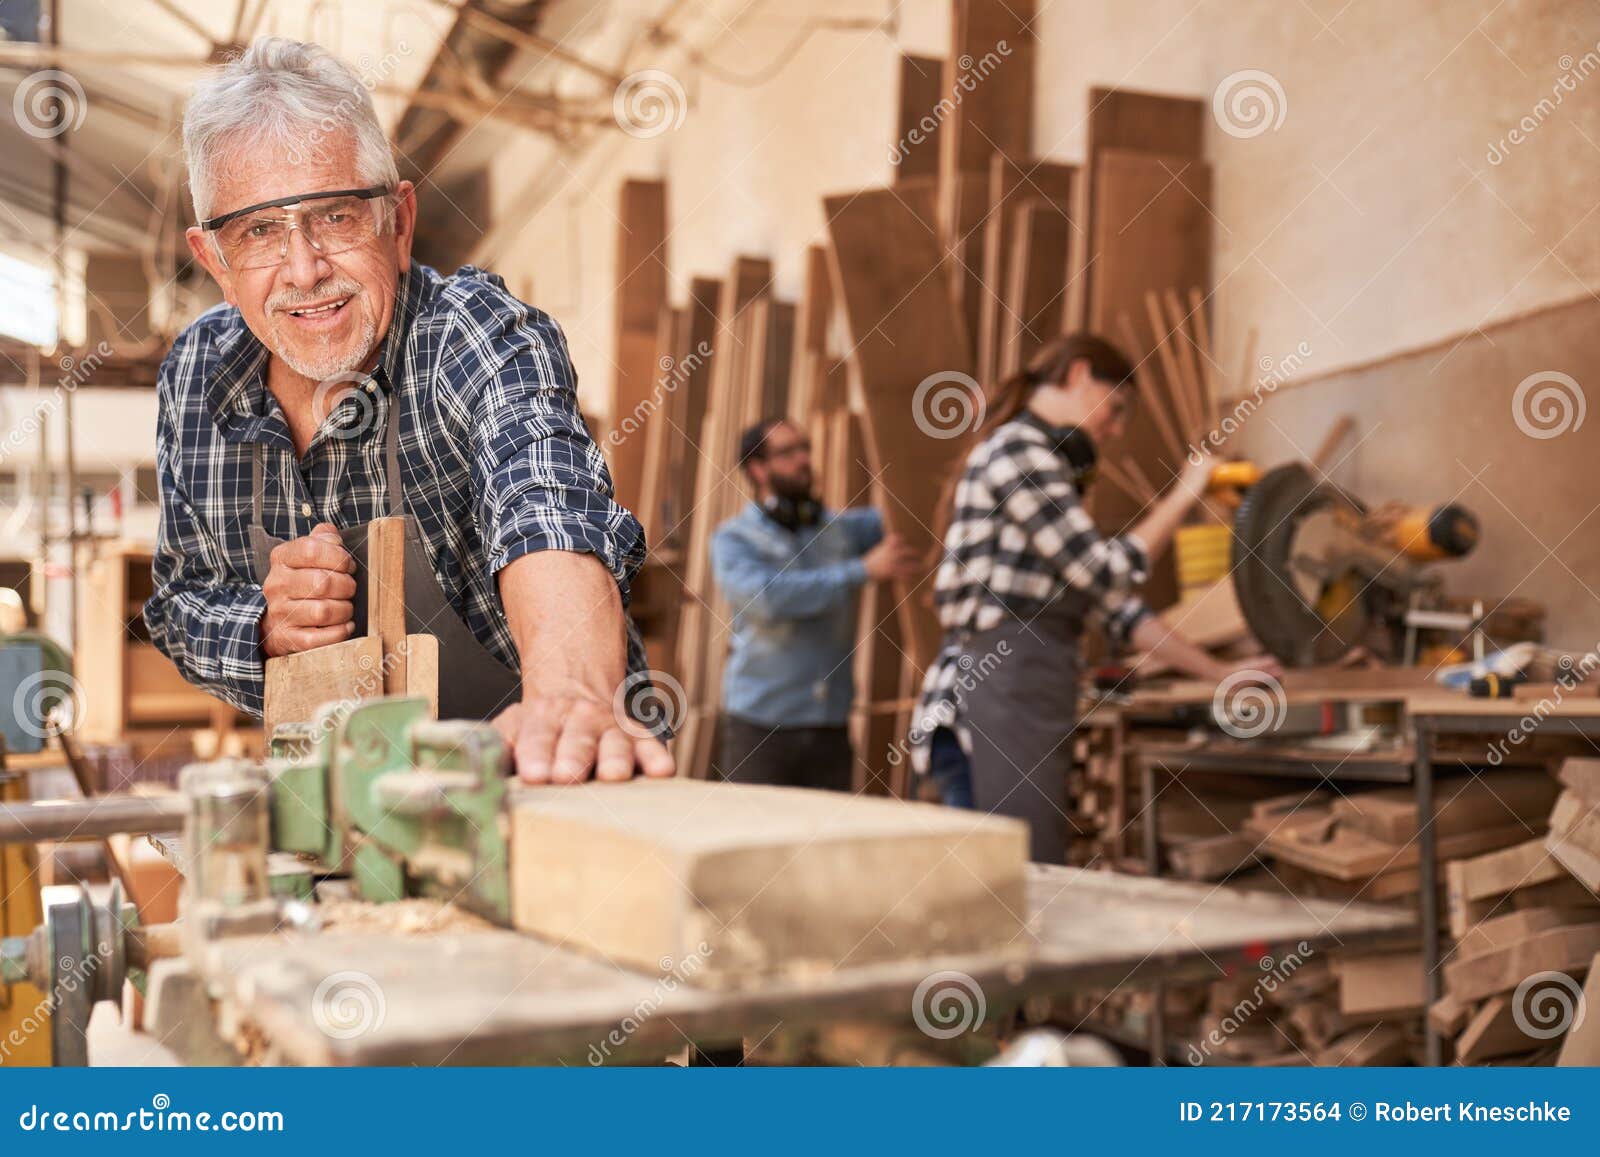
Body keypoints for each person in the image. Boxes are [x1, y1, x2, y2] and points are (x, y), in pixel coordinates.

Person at [143, 37, 673, 785]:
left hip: (546, 785)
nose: (304, 270)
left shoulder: (475, 335)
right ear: (215, 262)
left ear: (399, 221)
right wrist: (260, 628)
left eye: (335, 218)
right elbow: (177, 602)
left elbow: (547, 509)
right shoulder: (196, 379)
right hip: (340, 816)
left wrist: (572, 698)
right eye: (259, 232)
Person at [909, 334, 1281, 861]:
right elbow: (1103, 572)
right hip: (997, 681)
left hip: (1023, 679)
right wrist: (1184, 493)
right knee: (1015, 875)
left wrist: (1217, 674)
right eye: (1118, 407)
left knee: (1020, 870)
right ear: (1080, 375)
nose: (1117, 428)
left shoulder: (1043, 464)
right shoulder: (1020, 450)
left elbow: (1121, 611)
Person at [709, 419, 920, 790]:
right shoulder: (734, 540)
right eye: (788, 452)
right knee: (756, 840)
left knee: (823, 845)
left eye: (805, 448)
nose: (804, 459)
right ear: (758, 469)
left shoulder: (839, 530)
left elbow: (908, 508)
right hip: (760, 728)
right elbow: (768, 599)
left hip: (829, 728)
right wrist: (860, 571)